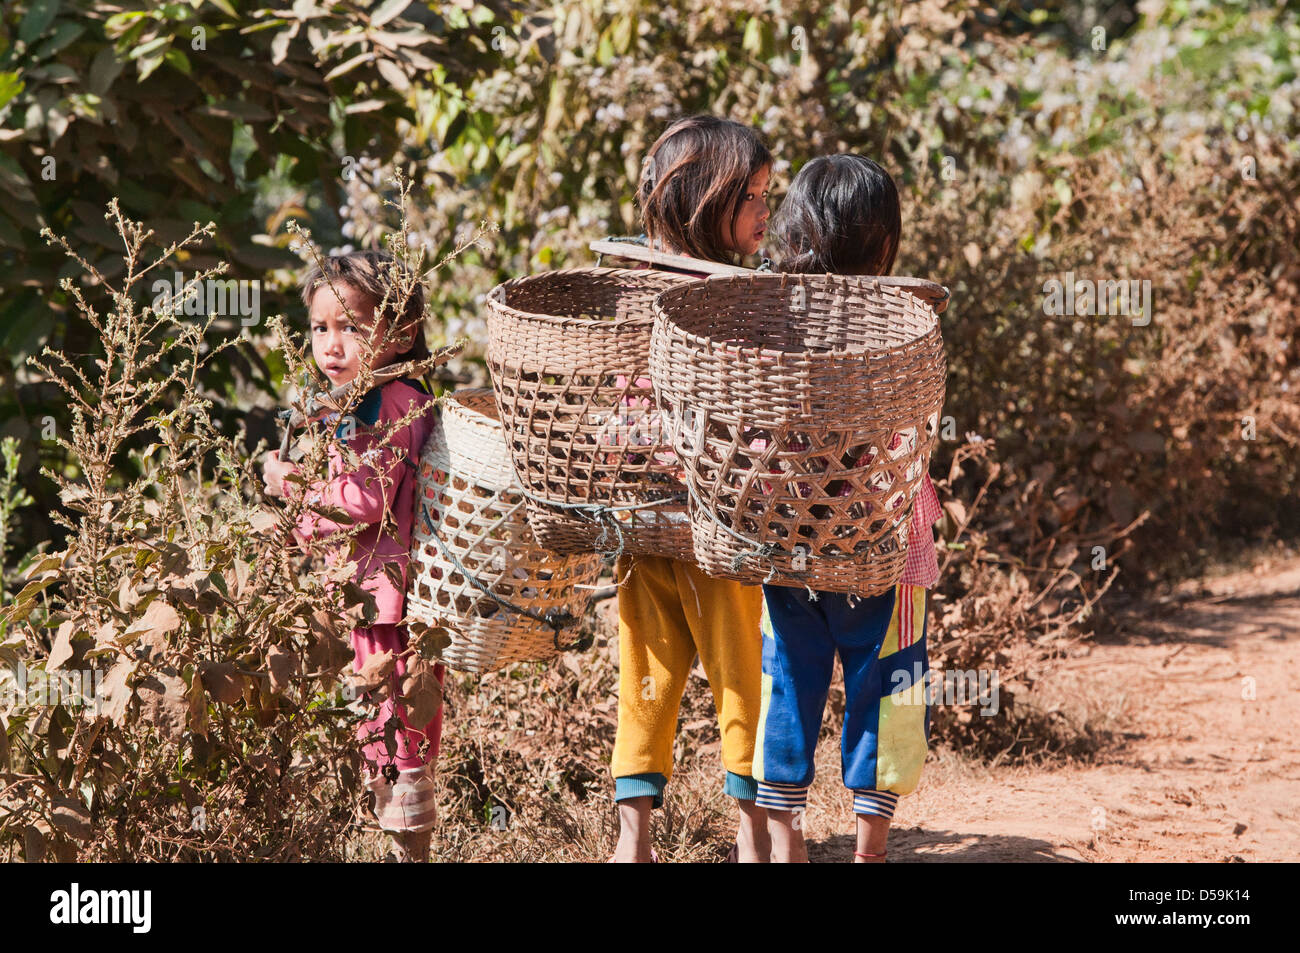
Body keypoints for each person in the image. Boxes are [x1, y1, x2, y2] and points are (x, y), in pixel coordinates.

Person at [754, 154, 944, 863]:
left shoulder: (771, 323)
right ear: (885, 244)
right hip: (883, 546)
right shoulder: (903, 321)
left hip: (790, 541)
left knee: (787, 682)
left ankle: (786, 845)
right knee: (888, 686)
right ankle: (869, 851)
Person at [608, 115, 774, 863]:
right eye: (756, 197)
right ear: (711, 202)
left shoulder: (634, 284)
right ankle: (747, 832)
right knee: (740, 673)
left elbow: (614, 401)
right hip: (713, 521)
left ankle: (639, 836)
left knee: (648, 669)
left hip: (654, 513)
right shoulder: (734, 300)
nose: (768, 211)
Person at [262, 250, 443, 862]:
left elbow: (363, 500)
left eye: (353, 327)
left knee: (397, 737)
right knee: (389, 736)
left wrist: (287, 483)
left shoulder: (388, 403)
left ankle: (409, 853)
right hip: (378, 601)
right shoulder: (376, 398)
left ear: (402, 334)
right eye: (320, 328)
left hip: (387, 609)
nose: (332, 346)